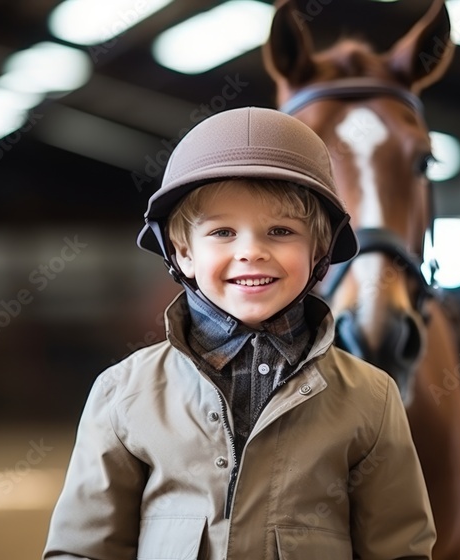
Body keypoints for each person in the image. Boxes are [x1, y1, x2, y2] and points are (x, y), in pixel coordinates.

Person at [43, 106, 436, 559]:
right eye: (223, 231)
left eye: (280, 230)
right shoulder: (122, 393)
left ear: (319, 253)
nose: (251, 251)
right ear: (183, 253)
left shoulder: (371, 398)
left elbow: (399, 549)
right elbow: (83, 549)